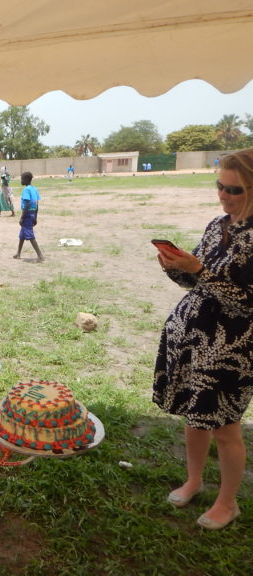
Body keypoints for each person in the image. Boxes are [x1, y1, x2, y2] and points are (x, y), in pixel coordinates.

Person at [153, 148, 253, 530]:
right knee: (194, 418)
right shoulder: (217, 225)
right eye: (220, 186)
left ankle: (227, 502)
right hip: (194, 340)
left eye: (234, 189)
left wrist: (200, 271)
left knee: (225, 429)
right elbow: (197, 280)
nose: (224, 195)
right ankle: (193, 480)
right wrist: (176, 267)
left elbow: (245, 302)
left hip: (231, 350)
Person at [13, 171, 44, 262]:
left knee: (30, 235)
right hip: (32, 213)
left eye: (22, 179)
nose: (21, 181)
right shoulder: (34, 189)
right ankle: (18, 253)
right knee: (22, 236)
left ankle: (40, 256)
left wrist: (22, 217)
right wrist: (35, 217)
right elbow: (36, 204)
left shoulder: (26, 190)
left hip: (27, 214)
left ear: (26, 179)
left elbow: (27, 204)